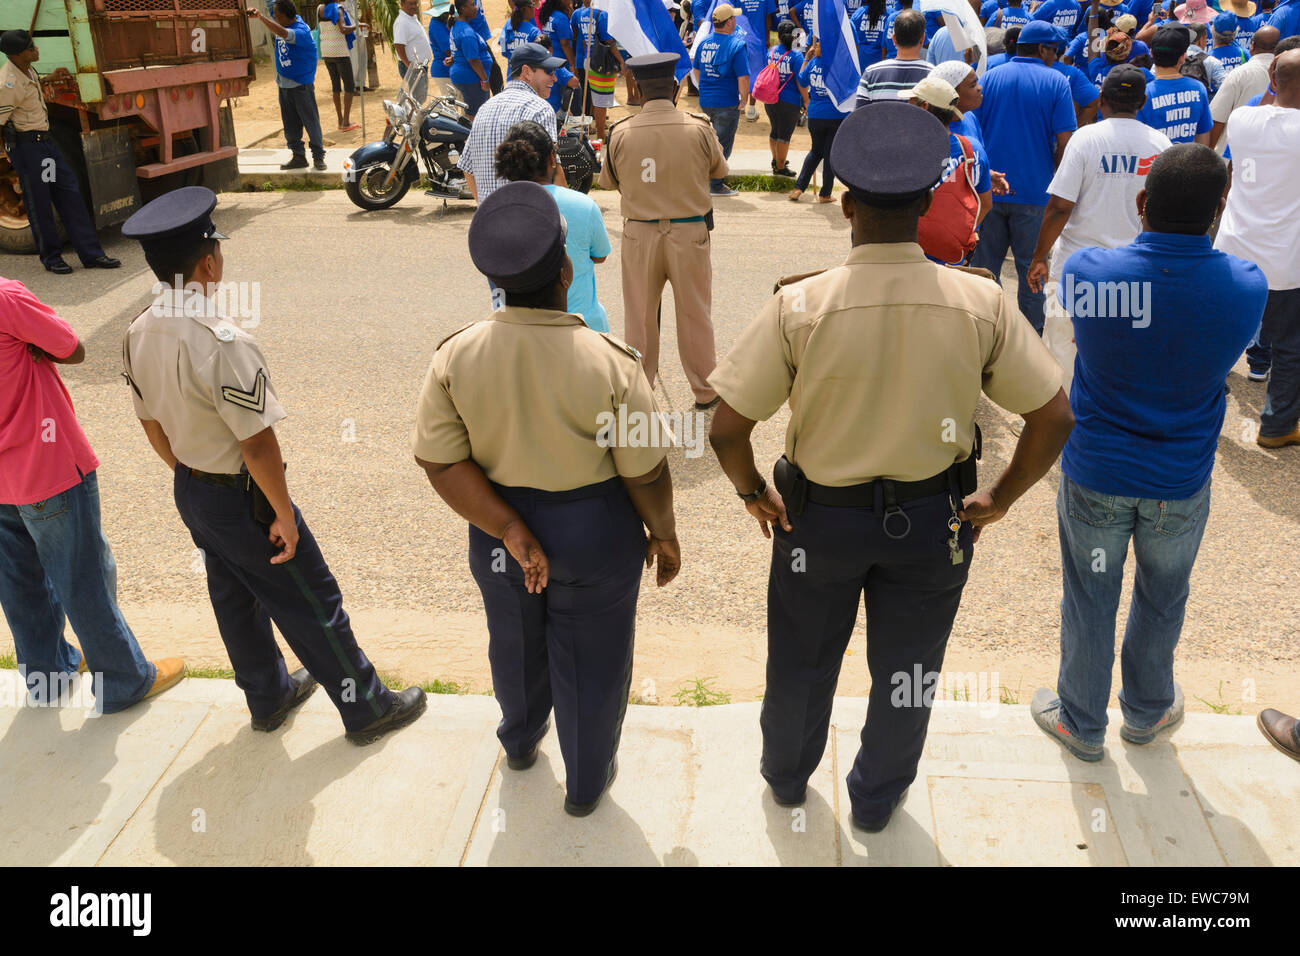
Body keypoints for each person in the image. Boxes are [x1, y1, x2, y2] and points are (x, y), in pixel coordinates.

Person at [707, 101, 1074, 831]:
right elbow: (1054, 416)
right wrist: (998, 498)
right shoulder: (979, 301)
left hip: (818, 522)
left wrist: (754, 493)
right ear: (928, 201)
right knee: (908, 673)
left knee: (802, 662)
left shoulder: (800, 303)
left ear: (846, 207)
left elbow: (726, 428)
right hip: (933, 522)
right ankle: (875, 802)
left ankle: (787, 780)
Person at [413, 180, 680, 817]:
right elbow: (644, 471)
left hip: (500, 527)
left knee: (513, 640)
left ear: (496, 282)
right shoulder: (612, 361)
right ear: (564, 271)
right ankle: (586, 785)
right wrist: (664, 533)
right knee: (593, 658)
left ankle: (522, 742)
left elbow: (439, 459)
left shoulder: (456, 356)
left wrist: (507, 525)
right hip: (592, 529)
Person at [119, 187, 426, 742]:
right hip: (242, 497)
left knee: (235, 597)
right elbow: (257, 445)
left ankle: (268, 697)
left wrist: (188, 473)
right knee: (312, 598)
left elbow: (150, 423)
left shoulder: (138, 330)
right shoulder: (223, 340)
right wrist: (280, 511)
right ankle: (368, 708)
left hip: (193, 488)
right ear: (208, 261)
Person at [1031, 145, 1265, 762]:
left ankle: (1080, 722)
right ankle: (1147, 709)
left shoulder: (1088, 272)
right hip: (1180, 478)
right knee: (1164, 595)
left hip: (1097, 468)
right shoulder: (1247, 285)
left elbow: (1083, 334)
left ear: (1141, 204)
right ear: (1220, 208)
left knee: (1089, 596)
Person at [0, 279, 184, 712]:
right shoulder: (6, 296)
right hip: (46, 466)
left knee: (17, 581)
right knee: (82, 575)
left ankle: (48, 676)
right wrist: (32, 346)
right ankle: (122, 679)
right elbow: (72, 349)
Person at [1028, 65, 1171, 392]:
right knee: (1121, 352)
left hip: (1076, 267)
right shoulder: (1160, 144)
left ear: (1102, 98)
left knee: (1062, 347)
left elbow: (1061, 206)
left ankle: (1064, 427)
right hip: (1135, 270)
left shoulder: (1085, 139)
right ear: (1143, 100)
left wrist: (1039, 257)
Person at [599, 53, 727, 408]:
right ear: (676, 86)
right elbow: (720, 170)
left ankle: (640, 391)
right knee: (695, 313)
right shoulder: (699, 126)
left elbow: (608, 181)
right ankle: (705, 390)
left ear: (637, 89)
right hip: (689, 231)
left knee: (639, 316)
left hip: (640, 233)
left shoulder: (620, 132)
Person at [1215, 49, 1300, 446]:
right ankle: (1277, 427)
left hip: (1233, 253)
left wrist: (1274, 78)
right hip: (1286, 263)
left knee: (1216, 340)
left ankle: (1201, 413)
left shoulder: (1243, 119)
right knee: (1289, 348)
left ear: (1272, 78)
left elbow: (1271, 103)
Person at [969, 19, 1076, 335]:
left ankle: (987, 335)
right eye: (1054, 50)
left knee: (984, 273)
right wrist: (1057, 180)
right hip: (1035, 194)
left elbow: (972, 132)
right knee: (1034, 274)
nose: (1055, 56)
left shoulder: (988, 78)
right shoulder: (1056, 82)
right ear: (1042, 49)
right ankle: (1031, 345)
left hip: (990, 192)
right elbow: (1065, 142)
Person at [0, 31, 120, 275]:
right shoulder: (7, 83)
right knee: (40, 202)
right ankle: (52, 258)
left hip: (46, 146)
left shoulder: (28, 70)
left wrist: (50, 78)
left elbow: (32, 91)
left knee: (69, 194)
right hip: (29, 148)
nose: (35, 49)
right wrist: (9, 152)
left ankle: (92, 254)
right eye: (30, 47)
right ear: (16, 54)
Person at [495, 120, 612, 329]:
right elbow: (600, 255)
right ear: (552, 158)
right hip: (582, 324)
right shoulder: (583, 204)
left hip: (520, 329)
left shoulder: (498, 210)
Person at [902, 75, 994, 260]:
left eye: (911, 102)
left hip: (911, 256)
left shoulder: (905, 150)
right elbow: (985, 204)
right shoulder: (973, 149)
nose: (907, 108)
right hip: (953, 257)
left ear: (924, 107)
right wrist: (961, 234)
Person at [461, 42, 564, 202]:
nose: (554, 78)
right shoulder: (540, 109)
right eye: (549, 71)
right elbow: (553, 168)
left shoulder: (485, 108)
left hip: (489, 221)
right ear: (527, 72)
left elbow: (467, 168)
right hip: (527, 218)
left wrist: (484, 207)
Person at [247, 2, 327, 171]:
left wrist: (260, 18)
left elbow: (283, 33)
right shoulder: (285, 19)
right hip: (284, 83)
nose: (274, 16)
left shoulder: (301, 31)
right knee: (290, 125)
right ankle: (298, 156)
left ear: (284, 16)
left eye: (276, 15)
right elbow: (271, 4)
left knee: (310, 122)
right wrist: (257, 11)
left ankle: (318, 157)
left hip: (300, 85)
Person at [692, 3, 751, 196]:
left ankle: (705, 181)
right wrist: (744, 99)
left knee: (708, 144)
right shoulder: (737, 45)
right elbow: (743, 77)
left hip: (707, 100)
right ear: (730, 22)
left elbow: (697, 68)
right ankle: (716, 185)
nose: (736, 20)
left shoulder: (704, 42)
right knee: (722, 146)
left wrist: (705, 88)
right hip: (726, 101)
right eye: (734, 18)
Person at [789, 37, 848, 202]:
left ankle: (799, 188)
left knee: (815, 152)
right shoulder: (838, 64)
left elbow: (801, 79)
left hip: (815, 114)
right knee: (829, 155)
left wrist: (806, 58)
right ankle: (825, 193)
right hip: (835, 115)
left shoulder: (814, 62)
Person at [1209, 24, 1279, 153]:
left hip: (1235, 155)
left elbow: (1218, 118)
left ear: (1252, 46)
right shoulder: (1288, 74)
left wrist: (1207, 155)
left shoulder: (1239, 74)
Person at [1137, 24, 1213, 142]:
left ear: (1151, 53)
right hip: (1190, 159)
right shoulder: (1199, 89)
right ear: (1183, 57)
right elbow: (1203, 140)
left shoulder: (1143, 94)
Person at [856, 8, 933, 106]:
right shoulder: (933, 75)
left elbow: (858, 117)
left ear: (894, 39)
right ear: (922, 39)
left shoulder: (870, 74)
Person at [572, 0, 625, 140]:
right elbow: (608, 41)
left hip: (589, 59)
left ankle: (597, 129)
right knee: (601, 100)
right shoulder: (602, 15)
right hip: (601, 62)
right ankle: (601, 134)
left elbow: (583, 40)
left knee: (596, 97)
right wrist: (621, 61)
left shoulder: (583, 13)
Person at [763, 20, 806, 177]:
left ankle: (776, 160)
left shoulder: (772, 51)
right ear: (794, 36)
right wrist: (806, 100)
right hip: (790, 101)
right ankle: (781, 167)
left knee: (775, 131)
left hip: (770, 98)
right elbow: (800, 81)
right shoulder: (796, 55)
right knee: (785, 135)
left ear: (779, 36)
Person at [318, 2, 359, 130]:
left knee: (335, 86)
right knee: (349, 86)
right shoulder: (338, 9)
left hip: (326, 51)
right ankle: (346, 122)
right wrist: (357, 25)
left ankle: (340, 120)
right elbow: (343, 29)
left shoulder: (319, 9)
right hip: (339, 51)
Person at [450, 0, 493, 116]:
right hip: (471, 79)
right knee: (476, 115)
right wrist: (485, 79)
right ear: (463, 9)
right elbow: (473, 60)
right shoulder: (466, 32)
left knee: (471, 113)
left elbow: (462, 51)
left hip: (466, 77)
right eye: (472, 5)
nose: (476, 8)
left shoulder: (458, 26)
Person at [737, 0, 779, 118]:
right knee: (756, 74)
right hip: (758, 38)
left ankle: (741, 103)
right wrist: (767, 37)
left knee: (740, 70)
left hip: (740, 36)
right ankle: (751, 109)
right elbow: (768, 17)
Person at [393, 0, 432, 80]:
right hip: (412, 67)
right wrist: (409, 65)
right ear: (402, 4)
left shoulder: (411, 18)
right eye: (411, 4)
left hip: (419, 66)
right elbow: (399, 45)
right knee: (417, 92)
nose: (414, 6)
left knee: (420, 92)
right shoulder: (402, 22)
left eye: (415, 3)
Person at [852, 0, 891, 71]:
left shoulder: (858, 13)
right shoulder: (890, 14)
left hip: (862, 63)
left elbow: (852, 39)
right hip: (882, 63)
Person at [428, 0, 456, 95]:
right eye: (443, 12)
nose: (447, 14)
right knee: (451, 106)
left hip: (446, 69)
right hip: (443, 69)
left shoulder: (442, 22)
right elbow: (448, 51)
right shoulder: (436, 25)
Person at [540, 0, 578, 71]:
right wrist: (573, 64)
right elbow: (565, 43)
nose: (570, 2)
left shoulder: (547, 14)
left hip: (548, 59)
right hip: (561, 63)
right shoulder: (561, 18)